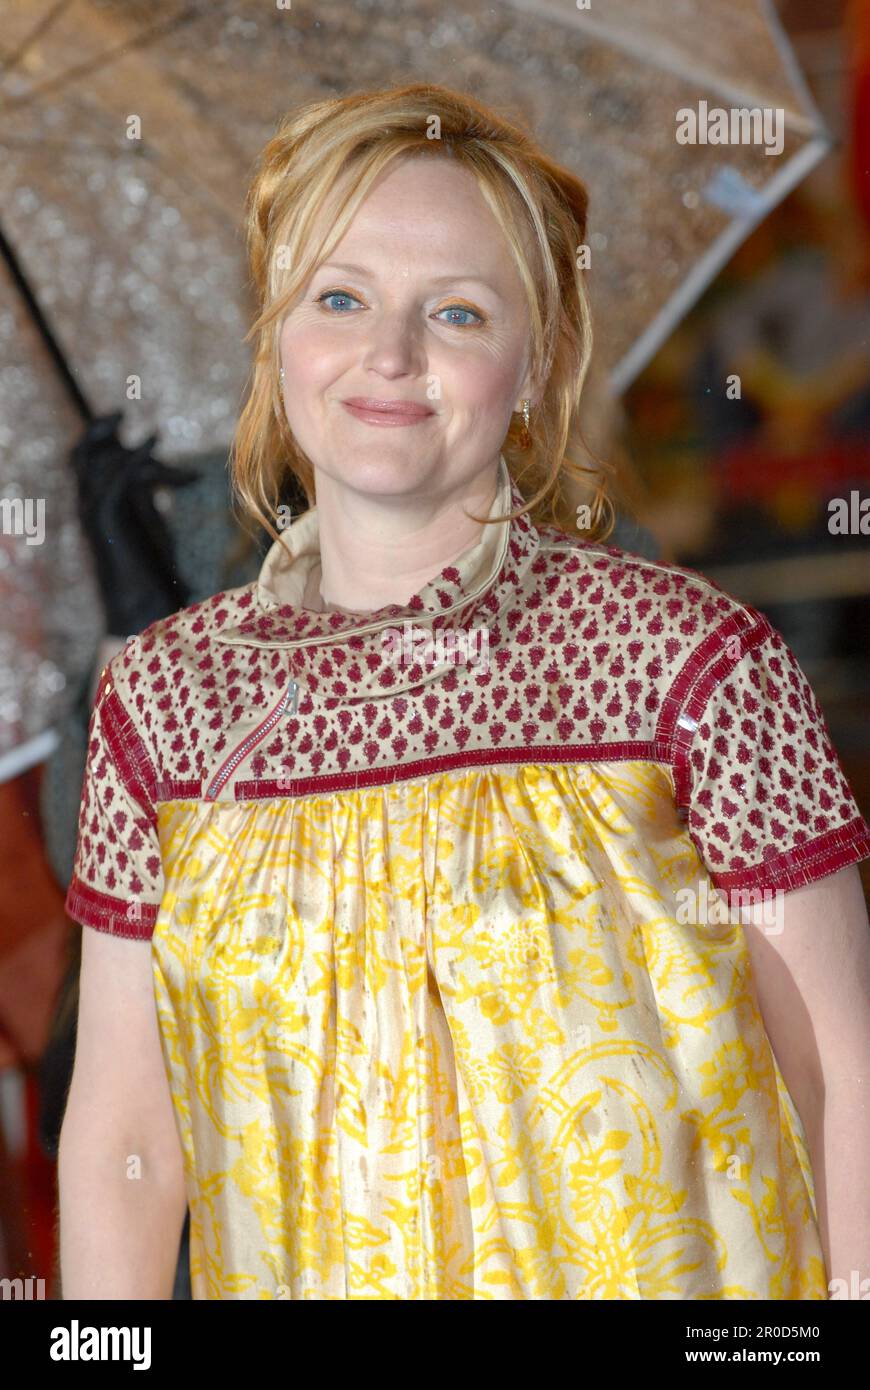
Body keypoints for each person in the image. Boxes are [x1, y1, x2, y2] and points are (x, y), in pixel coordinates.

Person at [58, 82, 870, 1301]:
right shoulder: (164, 703)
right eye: (339, 298)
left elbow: (843, 1077)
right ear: (278, 340)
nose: (389, 354)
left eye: (457, 312)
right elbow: (126, 1134)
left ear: (536, 362)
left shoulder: (691, 666)